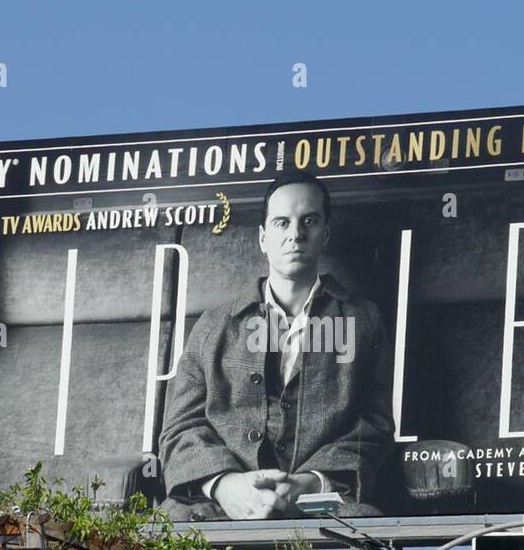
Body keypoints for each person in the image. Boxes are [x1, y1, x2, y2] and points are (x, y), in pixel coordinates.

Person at [158, 170, 395, 520]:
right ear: (263, 238)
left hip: (321, 506)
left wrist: (312, 483)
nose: (295, 234)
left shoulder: (364, 321)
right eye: (282, 223)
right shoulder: (213, 325)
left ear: (326, 234)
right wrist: (224, 485)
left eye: (309, 221)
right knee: (167, 530)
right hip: (215, 507)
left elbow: (375, 428)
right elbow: (180, 428)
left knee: (367, 529)